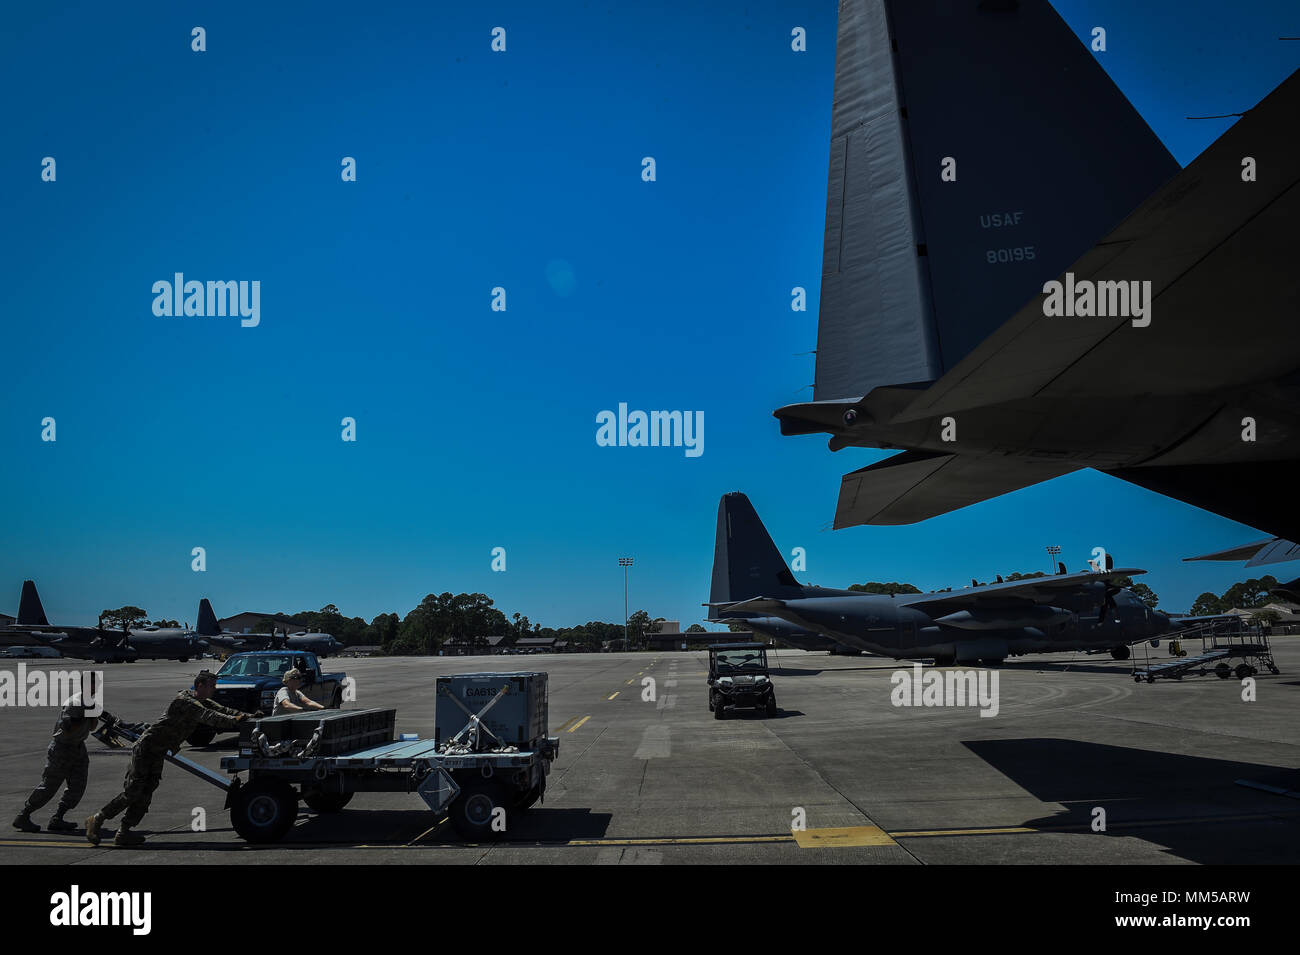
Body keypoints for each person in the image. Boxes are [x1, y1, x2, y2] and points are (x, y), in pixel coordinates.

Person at [85, 670, 254, 847]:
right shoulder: (185, 701)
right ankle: (97, 819)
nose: (214, 689)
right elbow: (212, 717)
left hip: (159, 751)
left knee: (147, 793)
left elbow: (224, 710)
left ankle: (124, 832)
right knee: (133, 792)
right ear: (200, 685)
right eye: (212, 686)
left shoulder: (202, 701)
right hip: (146, 748)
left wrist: (250, 717)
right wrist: (237, 721)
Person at [13, 673, 99, 834]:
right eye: (93, 684)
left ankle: (58, 818)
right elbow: (67, 729)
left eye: (97, 684)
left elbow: (92, 727)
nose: (96, 687)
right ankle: (23, 816)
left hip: (78, 748)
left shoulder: (90, 702)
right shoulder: (74, 703)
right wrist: (86, 715)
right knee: (49, 786)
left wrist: (93, 715)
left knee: (78, 785)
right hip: (63, 748)